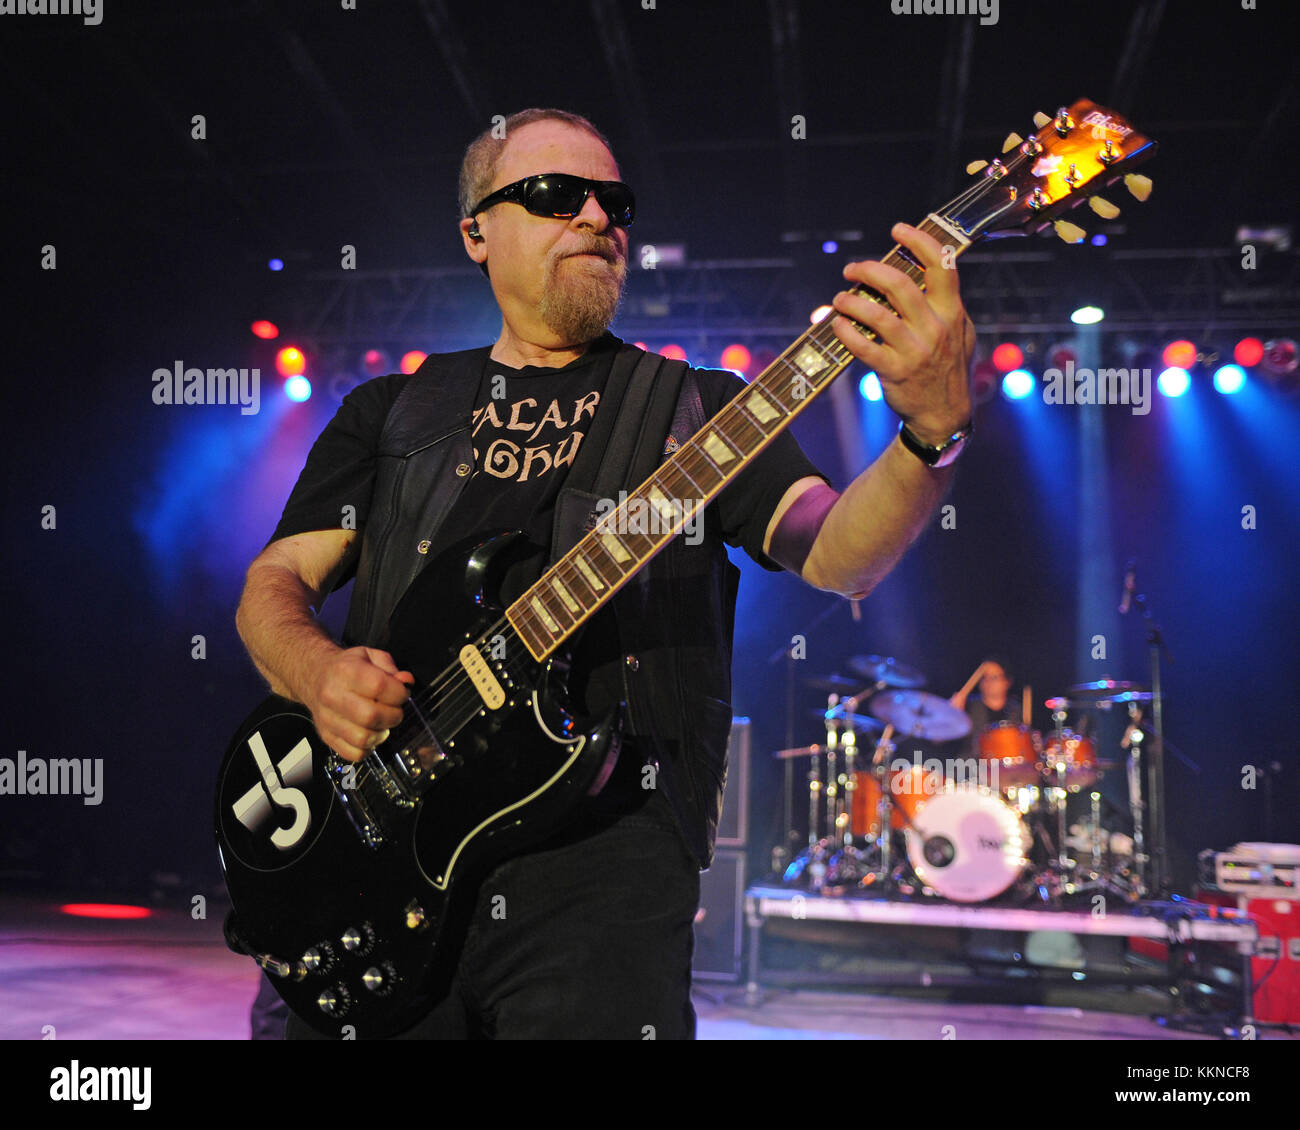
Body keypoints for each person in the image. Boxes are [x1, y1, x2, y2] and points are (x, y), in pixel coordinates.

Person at [235, 107, 975, 1040]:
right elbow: (274, 585)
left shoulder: (698, 412)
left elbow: (837, 554)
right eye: (554, 196)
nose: (595, 217)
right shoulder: (393, 411)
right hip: (379, 849)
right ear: (476, 232)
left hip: (606, 865)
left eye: (612, 202)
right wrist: (317, 674)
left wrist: (930, 438)